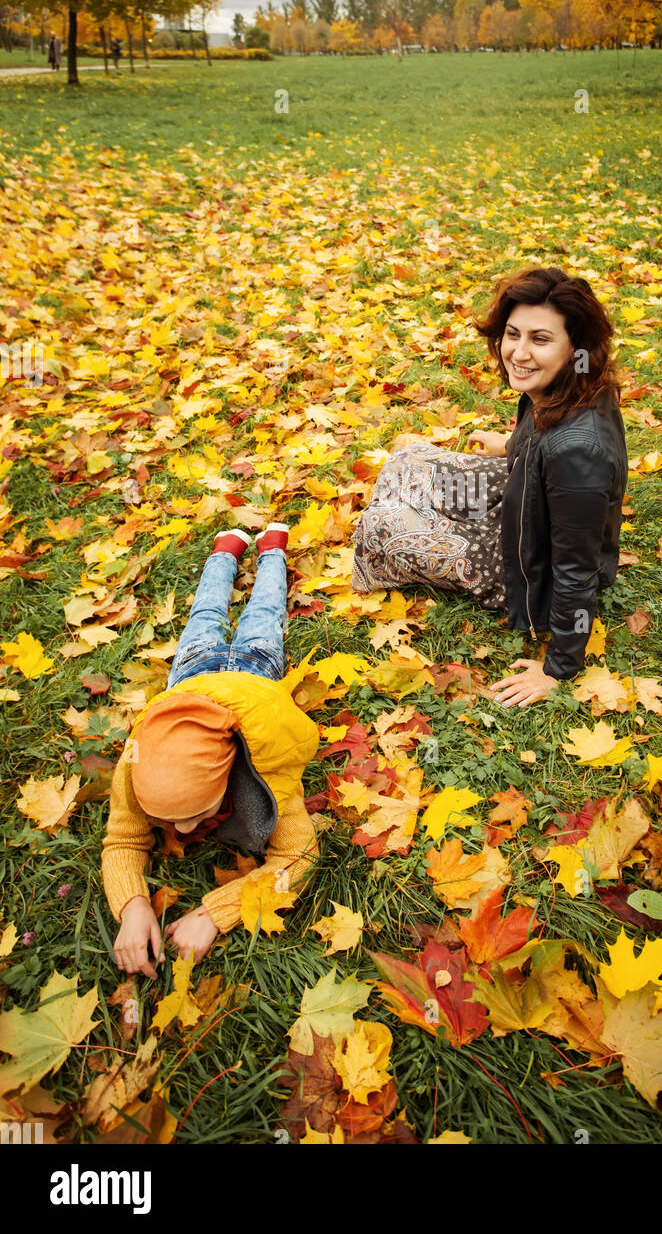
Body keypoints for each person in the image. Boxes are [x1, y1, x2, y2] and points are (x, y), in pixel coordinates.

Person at [351, 265, 628, 708]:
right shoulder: (571, 384)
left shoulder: (579, 453)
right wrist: (512, 445)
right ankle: (421, 512)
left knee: (380, 525)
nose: (518, 353)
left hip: (523, 566)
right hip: (526, 501)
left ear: (575, 346)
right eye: (512, 334)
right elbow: (539, 427)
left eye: (540, 339)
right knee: (406, 460)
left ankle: (414, 523)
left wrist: (558, 669)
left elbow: (577, 571)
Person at [103, 523, 320, 977]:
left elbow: (299, 857)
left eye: (197, 812)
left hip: (255, 671)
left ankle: (272, 551)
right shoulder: (137, 762)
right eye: (165, 818)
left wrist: (214, 914)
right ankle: (226, 550)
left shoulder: (266, 770)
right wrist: (132, 904)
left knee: (264, 610)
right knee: (204, 613)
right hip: (191, 675)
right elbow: (122, 837)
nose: (181, 828)